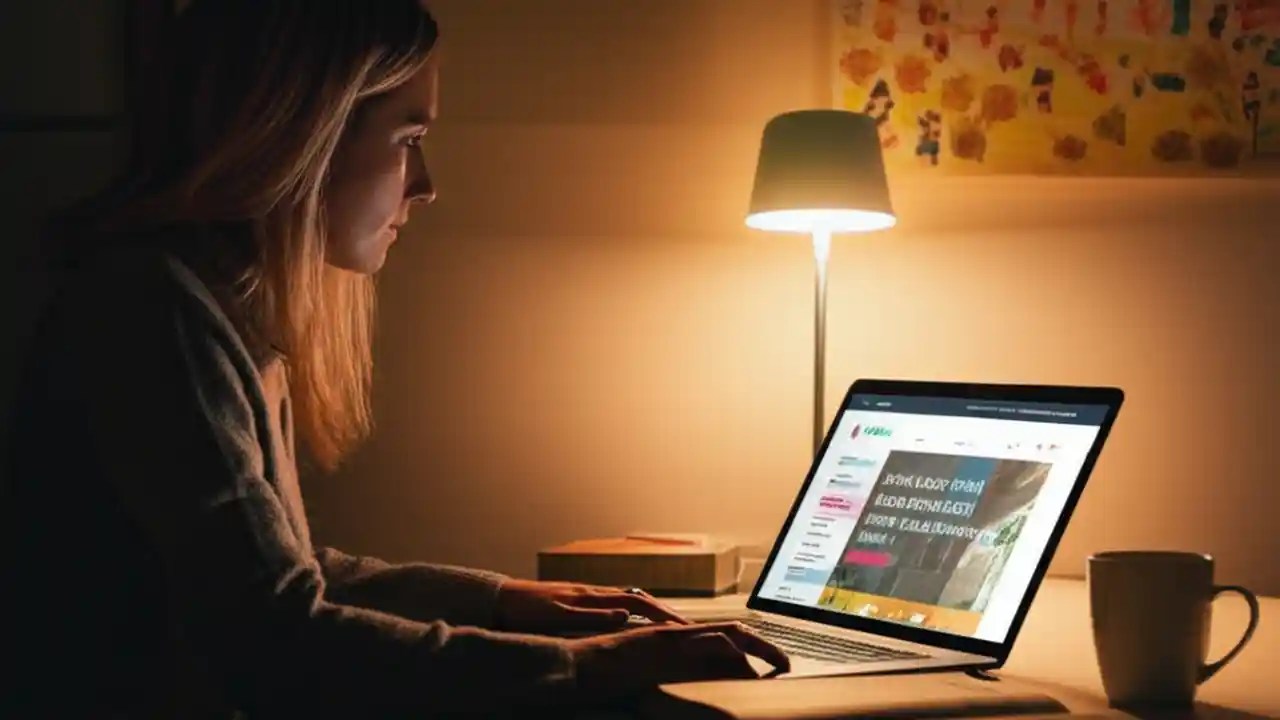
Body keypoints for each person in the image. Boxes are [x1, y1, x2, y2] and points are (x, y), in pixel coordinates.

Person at [1, 1, 788, 717]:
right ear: (300, 135)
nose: (427, 185)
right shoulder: (154, 314)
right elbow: (276, 639)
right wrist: (584, 666)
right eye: (409, 139)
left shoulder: (202, 303)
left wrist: (504, 600)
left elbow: (293, 574)